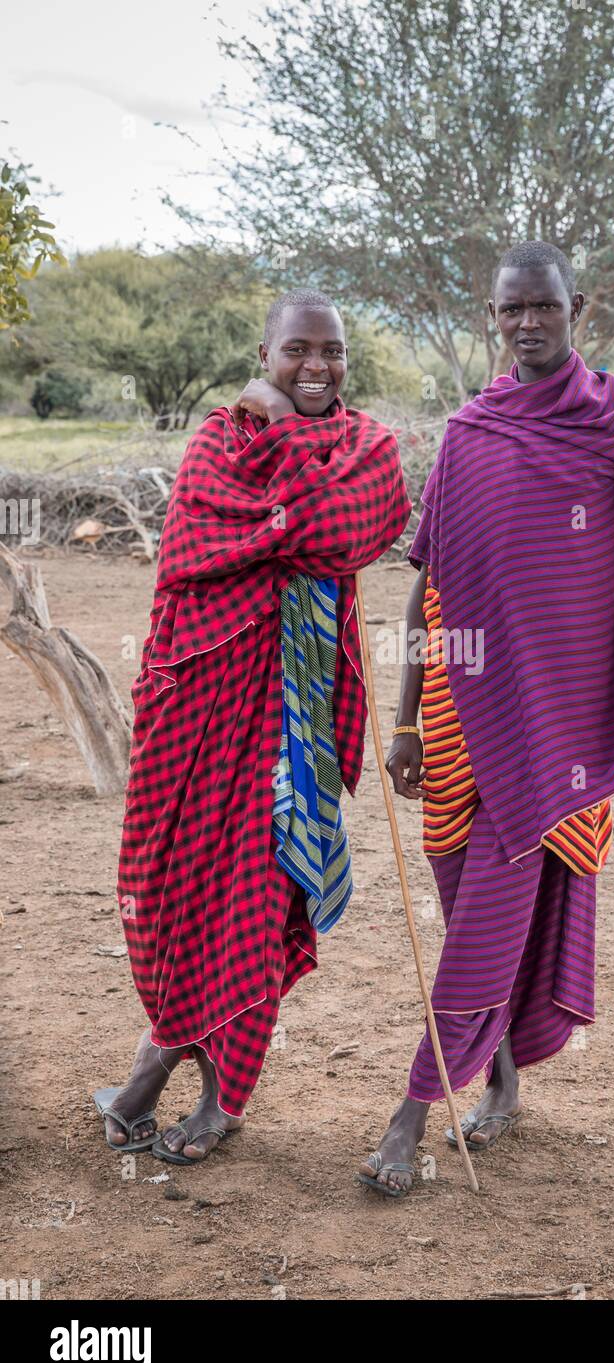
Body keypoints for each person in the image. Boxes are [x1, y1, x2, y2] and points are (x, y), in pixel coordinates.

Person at [358, 242, 614, 1196]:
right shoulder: (469, 429)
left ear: (574, 306)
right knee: (472, 910)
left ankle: (409, 1117)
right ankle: (500, 1085)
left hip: (563, 726)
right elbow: (430, 579)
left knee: (486, 922)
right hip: (462, 714)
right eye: (513, 311)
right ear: (492, 317)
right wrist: (409, 720)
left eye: (545, 307)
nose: (529, 324)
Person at [96, 290, 411, 1164]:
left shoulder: (372, 446)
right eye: (297, 352)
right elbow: (200, 547)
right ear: (264, 353)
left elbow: (351, 528)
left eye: (333, 352)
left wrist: (276, 434)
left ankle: (222, 1096)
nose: (317, 367)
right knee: (164, 886)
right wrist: (287, 497)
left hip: (292, 727)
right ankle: (157, 1055)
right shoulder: (211, 440)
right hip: (196, 710)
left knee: (257, 897)